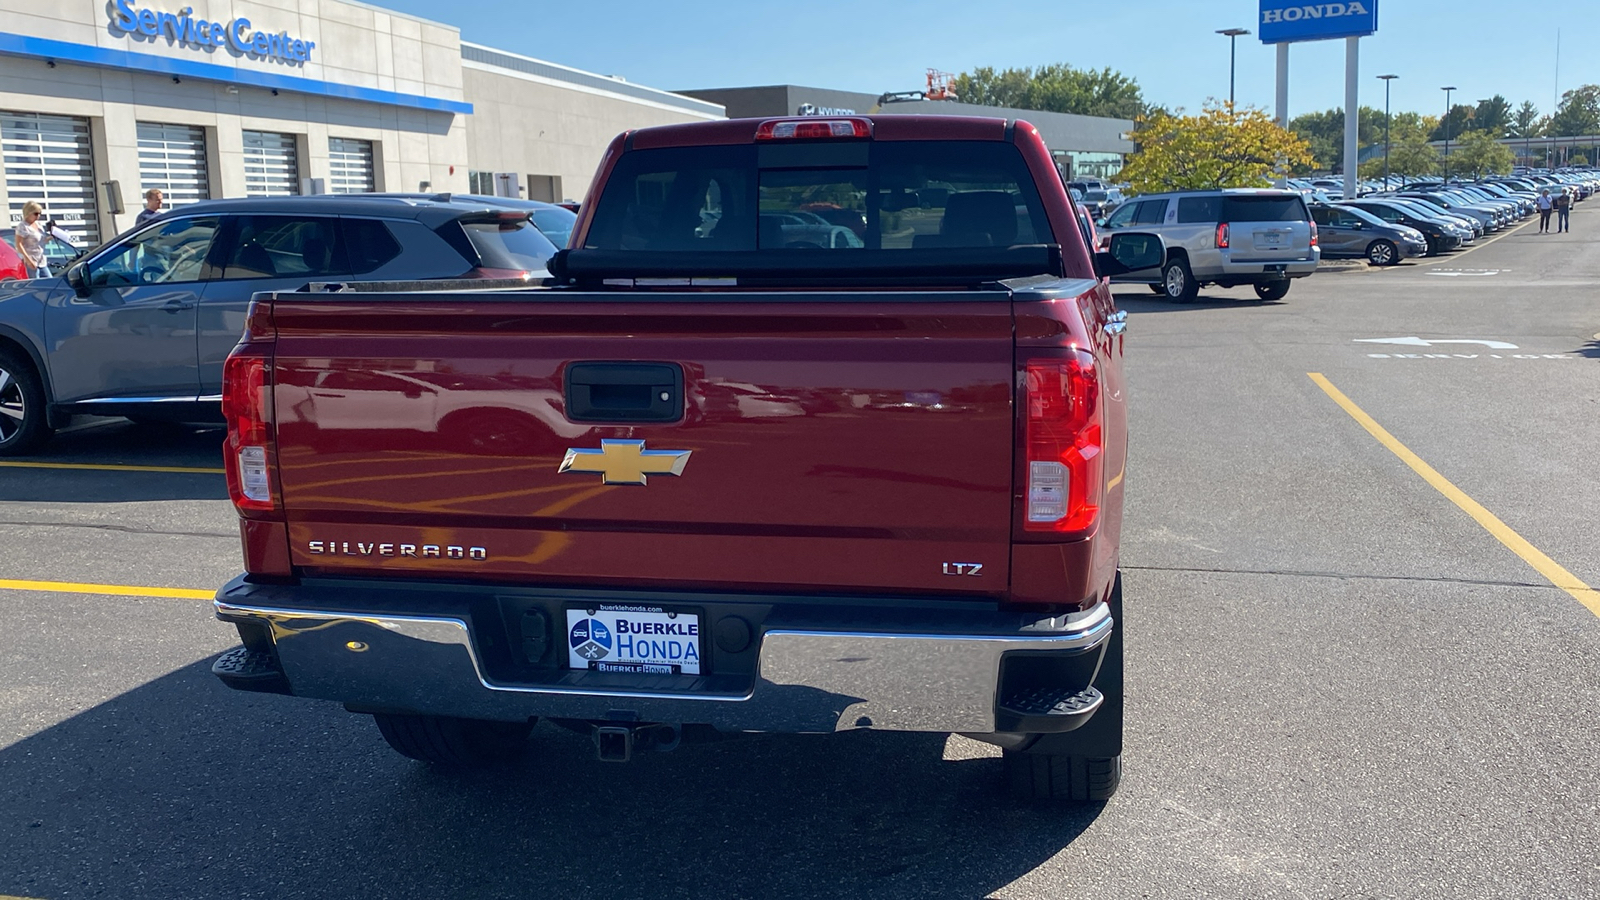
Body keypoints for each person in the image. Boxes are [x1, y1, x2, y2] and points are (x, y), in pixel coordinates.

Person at [13, 201, 49, 279]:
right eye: (36, 214)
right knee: (36, 285)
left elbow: (41, 240)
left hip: (41, 260)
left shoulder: (38, 224)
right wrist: (28, 260)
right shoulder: (23, 226)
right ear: (28, 213)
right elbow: (19, 244)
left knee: (50, 282)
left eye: (40, 213)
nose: (38, 216)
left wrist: (51, 237)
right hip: (31, 261)